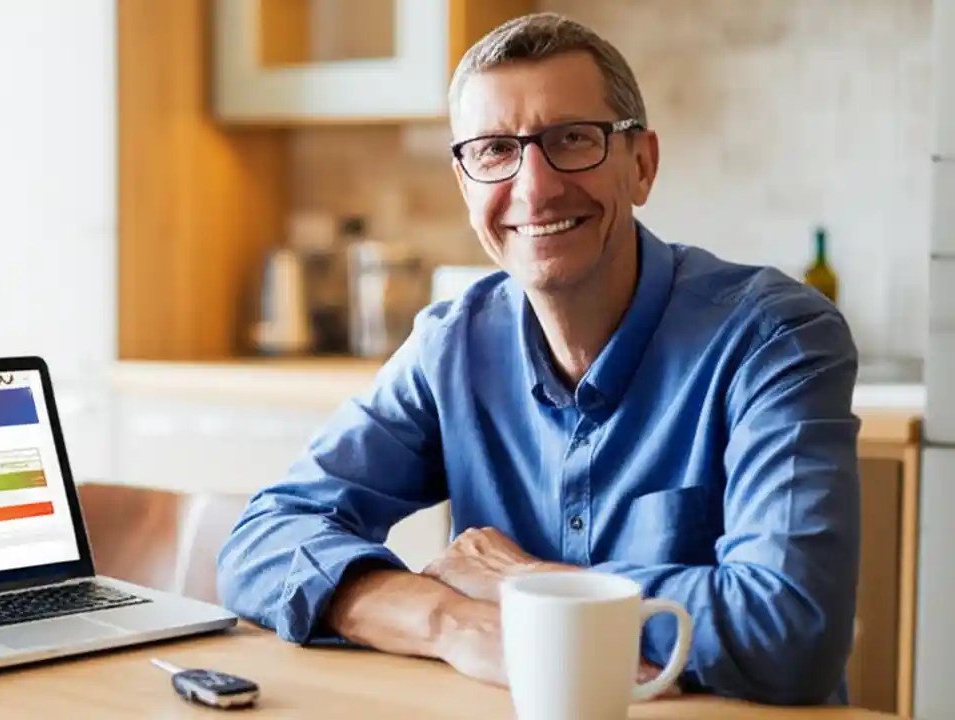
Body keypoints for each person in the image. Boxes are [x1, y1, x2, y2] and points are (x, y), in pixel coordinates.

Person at [216, 12, 860, 706]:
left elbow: (792, 631)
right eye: (494, 150)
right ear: (466, 187)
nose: (535, 187)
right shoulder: (451, 348)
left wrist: (525, 584)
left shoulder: (776, 337)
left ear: (641, 165)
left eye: (573, 140)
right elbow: (263, 542)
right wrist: (450, 622)